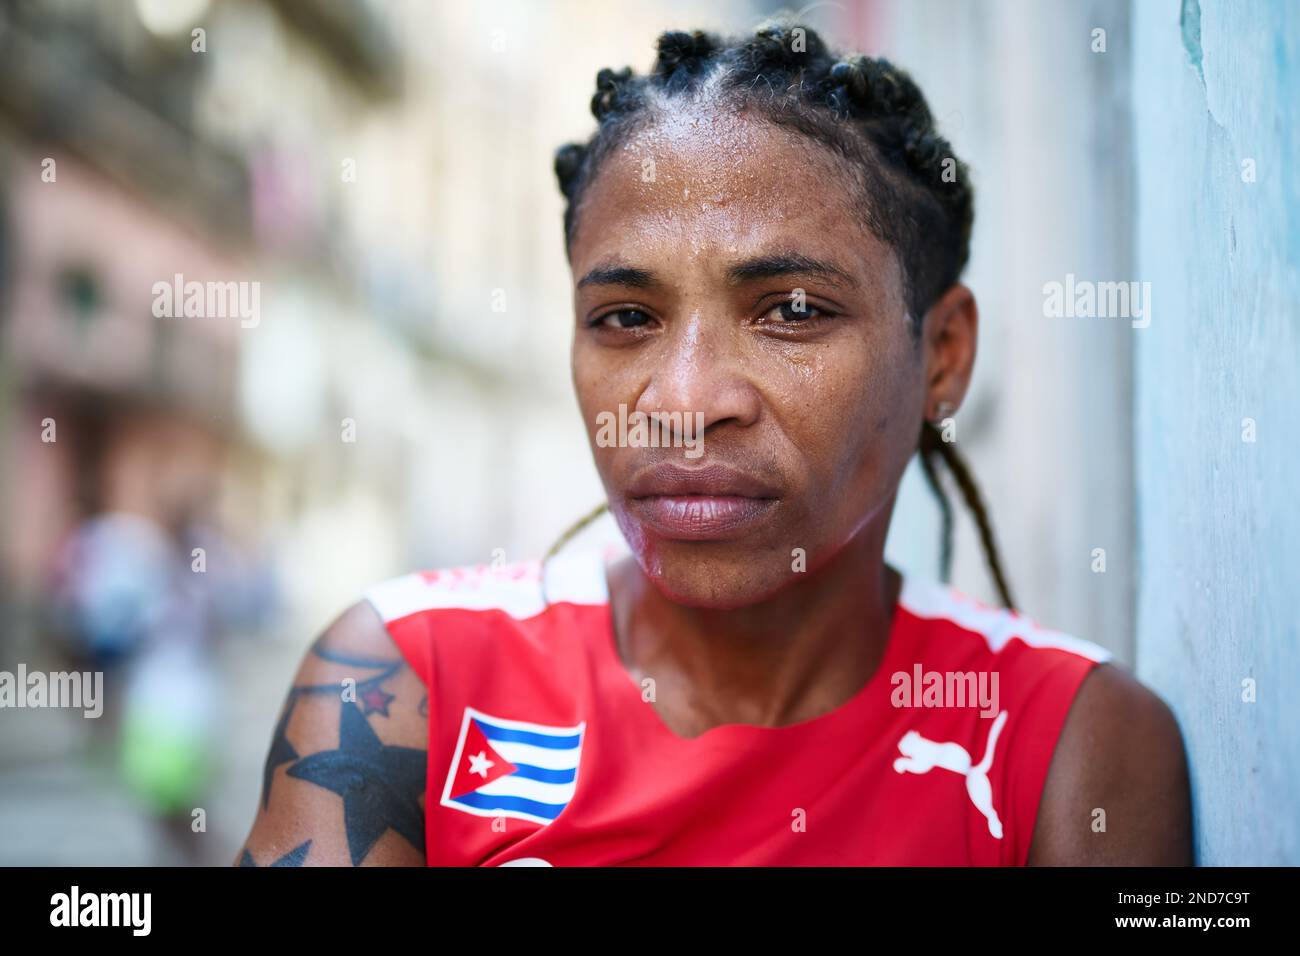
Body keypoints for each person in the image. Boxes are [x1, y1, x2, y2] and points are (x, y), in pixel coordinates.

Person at [236, 19, 1192, 867]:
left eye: (793, 309)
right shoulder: (405, 677)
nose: (684, 400)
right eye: (624, 317)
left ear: (941, 356)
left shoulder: (1070, 743)